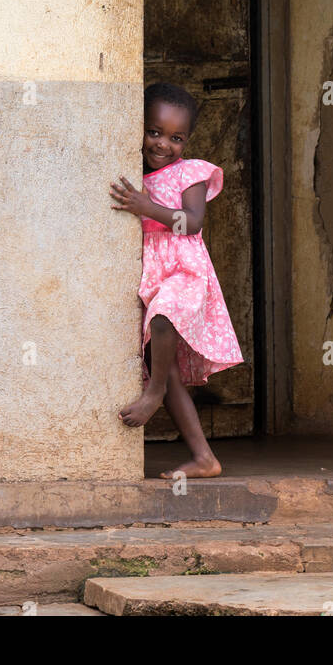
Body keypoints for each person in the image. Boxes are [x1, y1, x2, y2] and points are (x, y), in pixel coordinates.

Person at [109, 81, 243, 479]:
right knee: (161, 363)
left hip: (185, 272)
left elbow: (193, 222)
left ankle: (154, 395)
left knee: (164, 316)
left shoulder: (192, 173)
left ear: (187, 141)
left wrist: (147, 207)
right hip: (152, 274)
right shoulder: (135, 173)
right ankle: (205, 458)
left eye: (175, 137)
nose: (162, 144)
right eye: (154, 132)